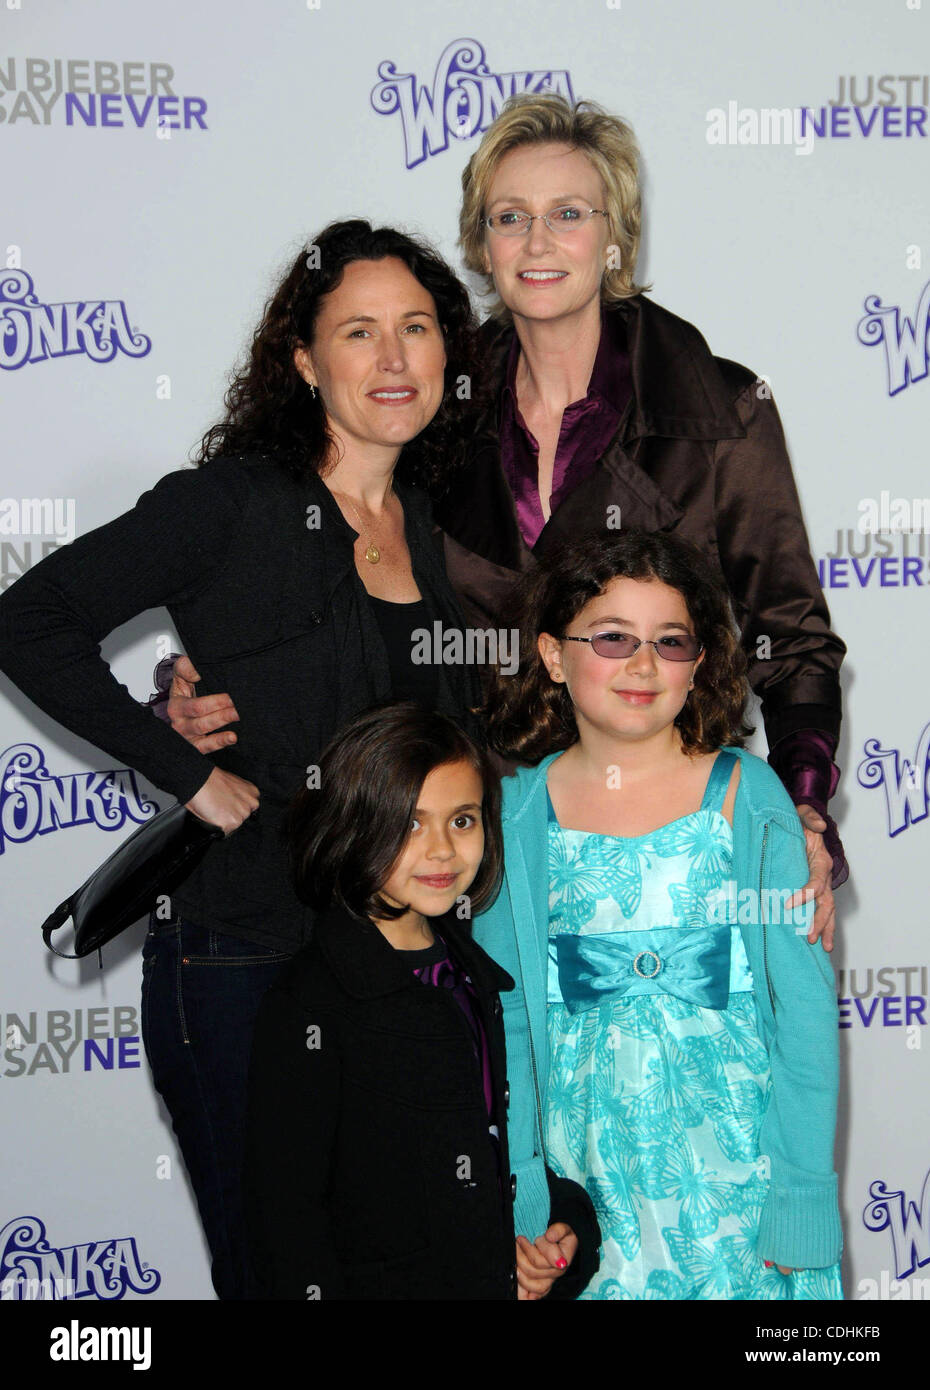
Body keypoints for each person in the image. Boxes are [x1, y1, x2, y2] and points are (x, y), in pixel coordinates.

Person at [0, 220, 483, 1299]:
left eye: (417, 328)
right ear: (306, 363)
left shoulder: (417, 514)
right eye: (360, 332)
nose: (395, 359)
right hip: (244, 965)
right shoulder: (232, 503)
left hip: (384, 969)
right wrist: (181, 768)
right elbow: (29, 620)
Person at [433, 92, 847, 949]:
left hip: (674, 846)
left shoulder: (720, 410)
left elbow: (791, 637)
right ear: (481, 244)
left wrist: (803, 801)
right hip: (484, 848)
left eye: (568, 214)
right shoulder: (437, 416)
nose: (538, 242)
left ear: (616, 237)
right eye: (511, 217)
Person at [473, 530, 842, 1299]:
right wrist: (522, 1198)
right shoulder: (513, 816)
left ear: (700, 662)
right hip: (587, 1189)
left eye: (670, 642)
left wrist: (800, 1193)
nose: (643, 665)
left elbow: (803, 1010)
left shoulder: (750, 798)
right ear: (550, 655)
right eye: (612, 638)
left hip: (742, 1181)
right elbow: (503, 1022)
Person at [243, 702, 600, 1300]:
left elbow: (490, 1154)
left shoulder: (475, 975)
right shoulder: (311, 1003)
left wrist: (562, 1232)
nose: (441, 850)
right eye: (410, 823)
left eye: (462, 821)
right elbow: (284, 1218)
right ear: (352, 824)